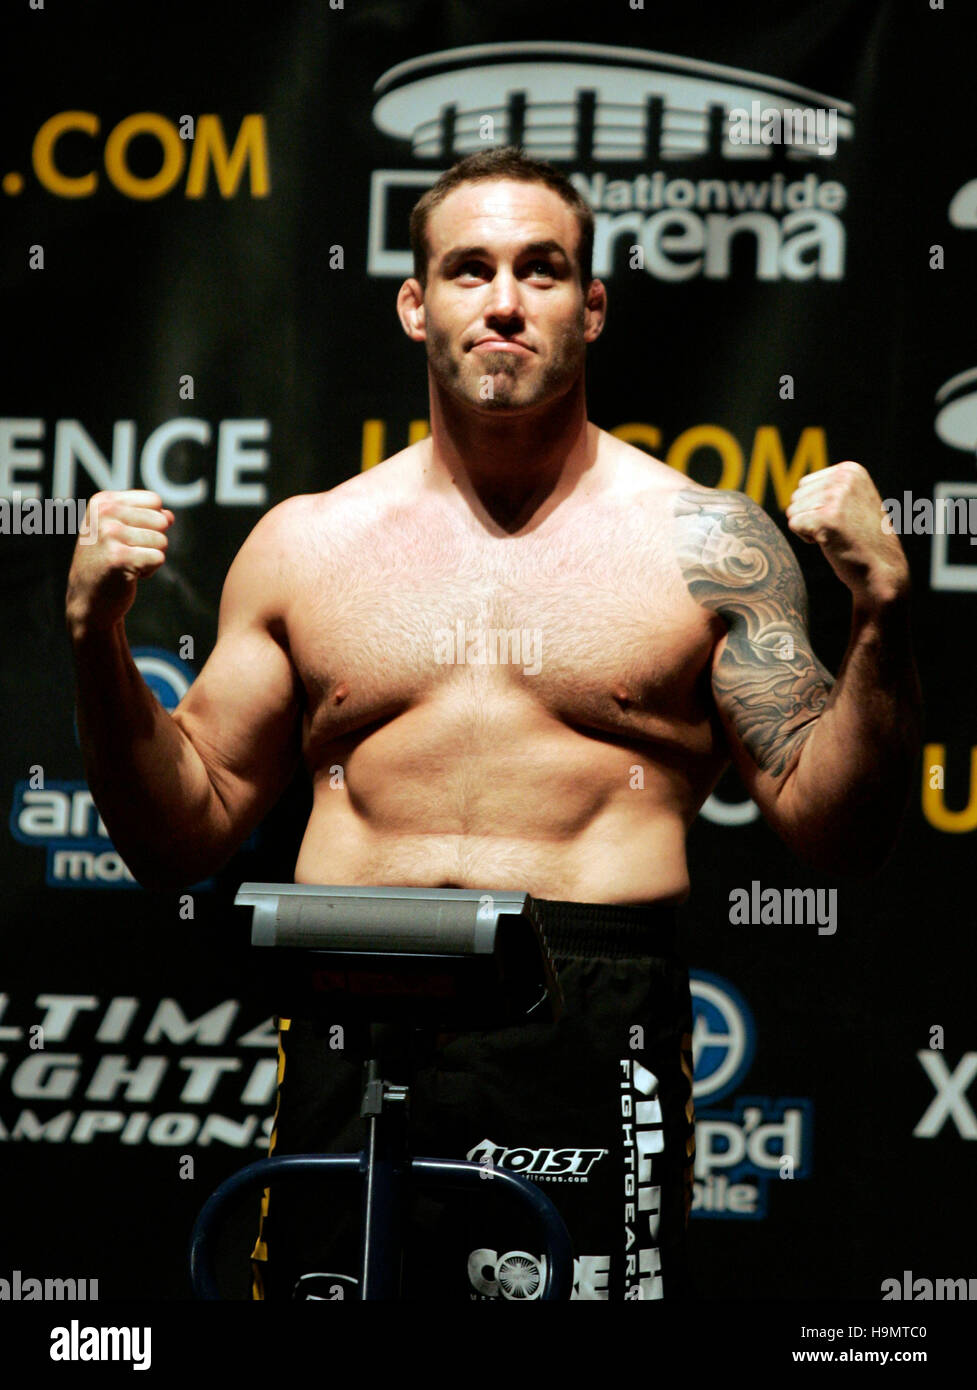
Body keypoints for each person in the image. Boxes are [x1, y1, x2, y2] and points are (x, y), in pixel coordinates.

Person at [65, 146, 922, 1301]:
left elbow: (839, 829)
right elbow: (182, 829)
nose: (505, 301)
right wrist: (98, 644)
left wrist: (880, 615)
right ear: (414, 305)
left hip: (588, 1012)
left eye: (542, 269)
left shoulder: (709, 545)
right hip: (348, 1009)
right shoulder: (306, 544)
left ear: (592, 306)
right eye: (469, 269)